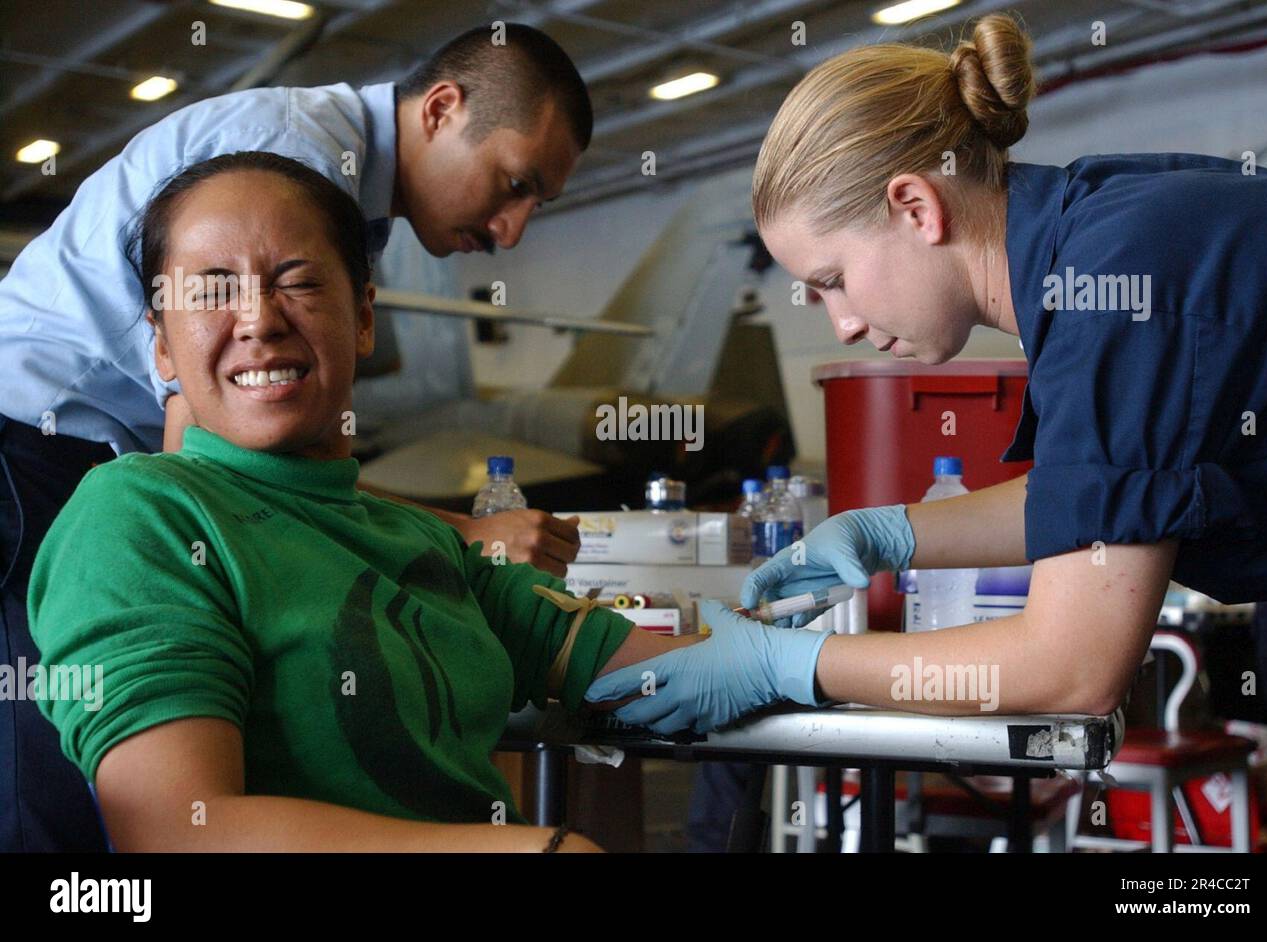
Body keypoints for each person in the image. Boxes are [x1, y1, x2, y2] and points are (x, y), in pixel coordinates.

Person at [586, 13, 1267, 850]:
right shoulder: (1096, 234)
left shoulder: (1112, 284)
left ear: (916, 206)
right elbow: (1100, 502)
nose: (842, 324)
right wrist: (888, 533)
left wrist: (786, 669)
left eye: (834, 280)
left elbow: (1075, 670)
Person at [27, 152, 822, 851]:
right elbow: (180, 831)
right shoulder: (137, 517)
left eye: (299, 282)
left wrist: (856, 645)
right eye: (211, 291)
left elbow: (651, 665)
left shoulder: (421, 539)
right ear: (161, 344)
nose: (259, 321)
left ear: (365, 316)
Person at [0, 22, 591, 851]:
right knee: (65, 801)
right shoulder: (293, 170)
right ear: (443, 109)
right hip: (32, 459)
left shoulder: (339, 182)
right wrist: (465, 535)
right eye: (514, 183)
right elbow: (209, 453)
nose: (513, 228)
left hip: (90, 454)